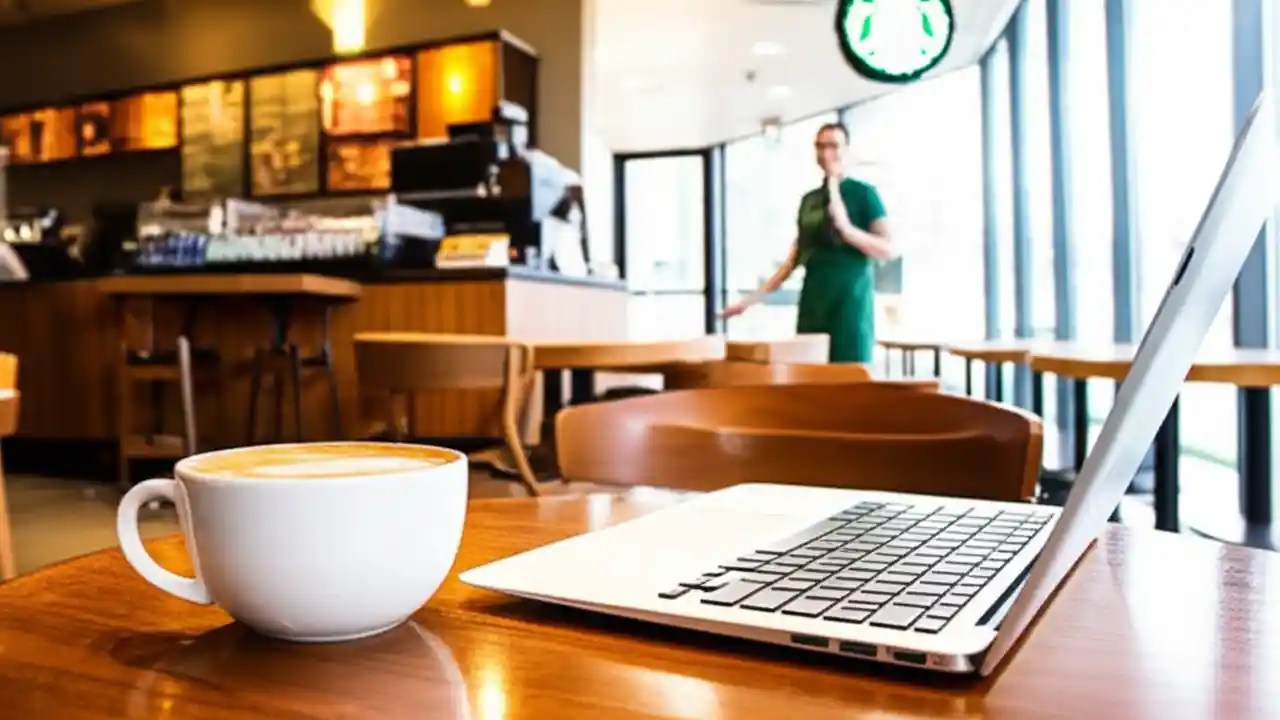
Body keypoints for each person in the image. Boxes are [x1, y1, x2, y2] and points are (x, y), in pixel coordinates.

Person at [722, 122, 894, 362]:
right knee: (811, 379)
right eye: (820, 147)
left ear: (847, 150)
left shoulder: (864, 194)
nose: (826, 153)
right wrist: (747, 303)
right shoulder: (809, 201)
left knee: (850, 380)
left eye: (833, 146)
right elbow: (792, 261)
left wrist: (846, 228)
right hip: (815, 302)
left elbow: (887, 248)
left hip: (850, 304)